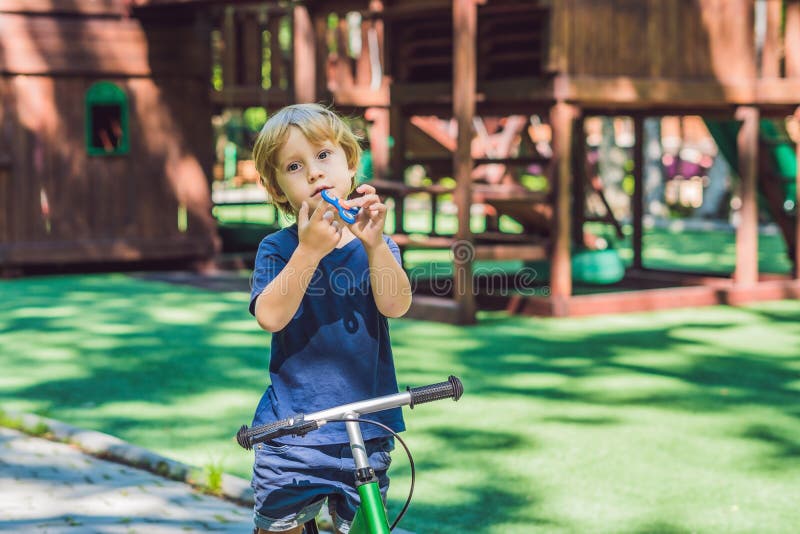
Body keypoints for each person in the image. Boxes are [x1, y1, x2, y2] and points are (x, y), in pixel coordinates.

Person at [248, 103, 412, 534]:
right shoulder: (279, 249)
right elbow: (270, 316)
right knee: (279, 527)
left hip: (368, 427)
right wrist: (310, 250)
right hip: (293, 438)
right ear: (278, 188)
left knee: (362, 526)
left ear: (350, 163)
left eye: (323, 156)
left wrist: (376, 247)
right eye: (295, 165)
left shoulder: (376, 243)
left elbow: (397, 305)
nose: (315, 173)